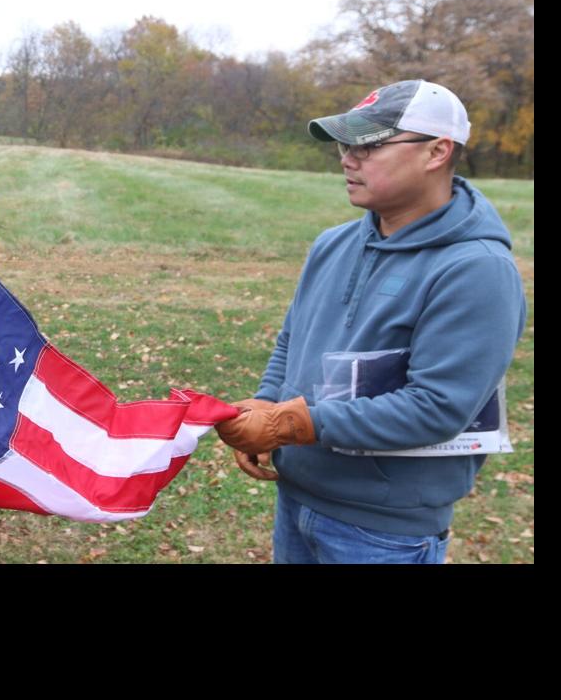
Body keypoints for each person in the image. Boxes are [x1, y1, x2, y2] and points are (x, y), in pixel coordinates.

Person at [216, 80, 526, 564]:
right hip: (297, 498)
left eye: (369, 145)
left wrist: (290, 424)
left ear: (437, 152)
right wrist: (267, 401)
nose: (348, 159)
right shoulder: (332, 244)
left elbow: (437, 408)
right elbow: (294, 339)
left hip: (383, 533)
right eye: (345, 146)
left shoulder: (477, 269)